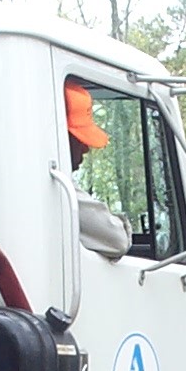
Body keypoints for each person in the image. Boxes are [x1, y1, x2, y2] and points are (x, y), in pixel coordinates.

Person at [64, 79, 132, 260]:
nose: (86, 149)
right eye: (78, 139)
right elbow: (117, 240)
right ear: (61, 136)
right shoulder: (57, 189)